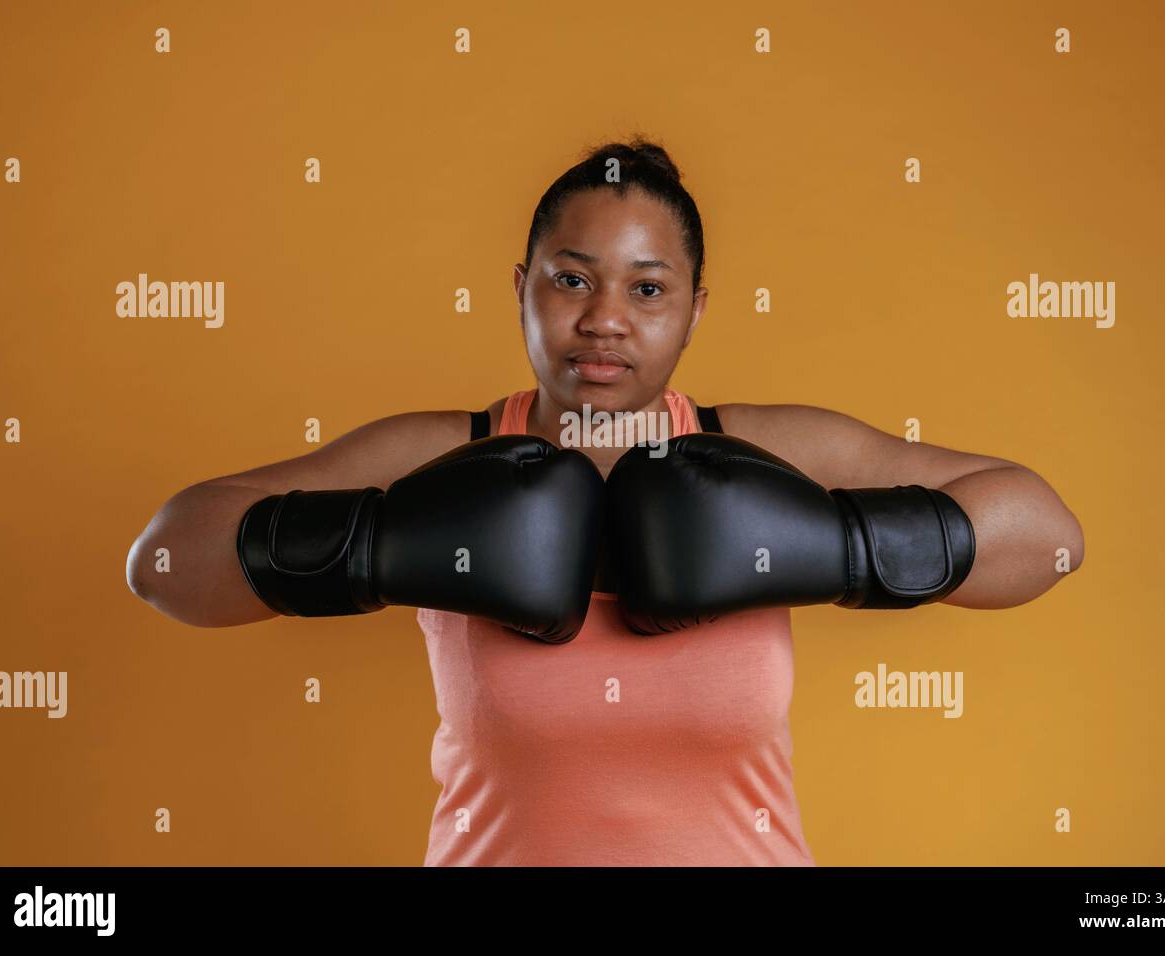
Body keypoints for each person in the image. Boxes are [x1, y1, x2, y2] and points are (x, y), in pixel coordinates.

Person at [126, 138, 1085, 866]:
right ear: (522, 291)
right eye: (571, 279)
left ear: (695, 310)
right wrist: (381, 545)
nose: (604, 320)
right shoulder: (448, 454)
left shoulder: (764, 449)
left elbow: (1047, 536)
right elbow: (165, 564)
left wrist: (826, 543)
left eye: (649, 288)